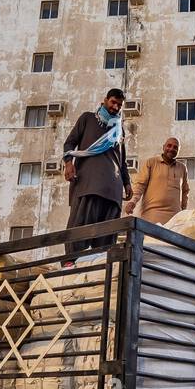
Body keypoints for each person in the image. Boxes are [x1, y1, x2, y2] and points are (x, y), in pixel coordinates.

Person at [62, 88, 132, 263]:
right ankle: (71, 263)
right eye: (113, 102)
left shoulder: (119, 130)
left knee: (106, 240)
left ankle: (101, 270)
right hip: (89, 184)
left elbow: (121, 161)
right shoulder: (87, 118)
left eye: (119, 105)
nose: (115, 107)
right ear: (105, 100)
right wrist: (68, 163)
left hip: (113, 191)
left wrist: (127, 183)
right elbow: (70, 142)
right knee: (80, 228)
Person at [124, 137, 189, 225]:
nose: (171, 149)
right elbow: (140, 185)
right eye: (169, 146)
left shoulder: (182, 168)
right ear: (163, 147)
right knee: (150, 239)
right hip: (151, 215)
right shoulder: (151, 163)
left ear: (178, 150)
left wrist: (183, 214)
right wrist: (132, 201)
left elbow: (185, 192)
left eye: (175, 147)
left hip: (174, 219)